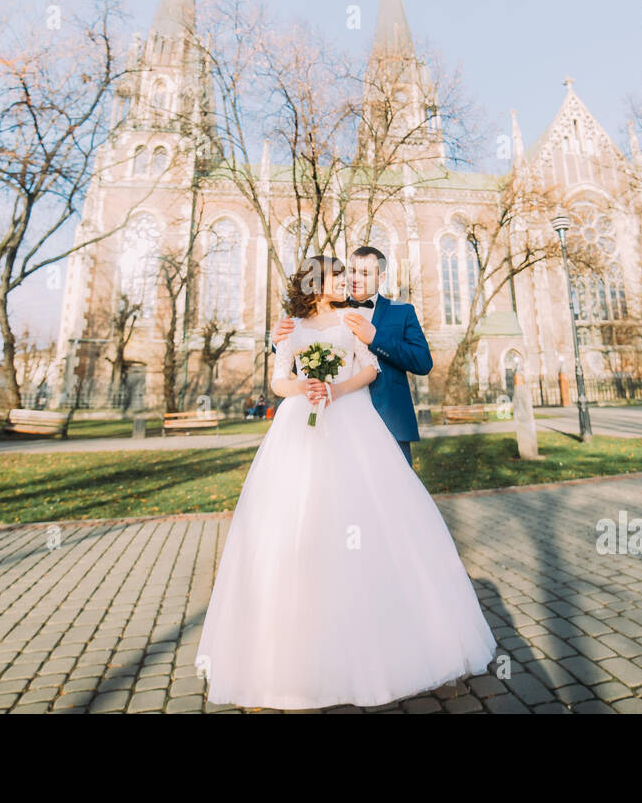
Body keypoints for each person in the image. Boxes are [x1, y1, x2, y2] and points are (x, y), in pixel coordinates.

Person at [195, 255, 497, 710]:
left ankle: (400, 639)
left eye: (350, 275)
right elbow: (279, 377)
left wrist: (334, 388)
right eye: (338, 276)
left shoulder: (354, 319)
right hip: (300, 426)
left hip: (356, 421)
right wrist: (303, 386)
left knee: (372, 519)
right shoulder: (290, 327)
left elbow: (373, 367)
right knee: (301, 521)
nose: (346, 282)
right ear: (316, 281)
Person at [271, 245, 431, 465]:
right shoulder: (330, 309)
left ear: (381, 277)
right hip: (335, 420)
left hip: (390, 421)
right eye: (352, 271)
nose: (354, 278)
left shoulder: (402, 311)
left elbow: (422, 362)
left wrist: (376, 339)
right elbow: (301, 357)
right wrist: (275, 341)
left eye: (364, 273)